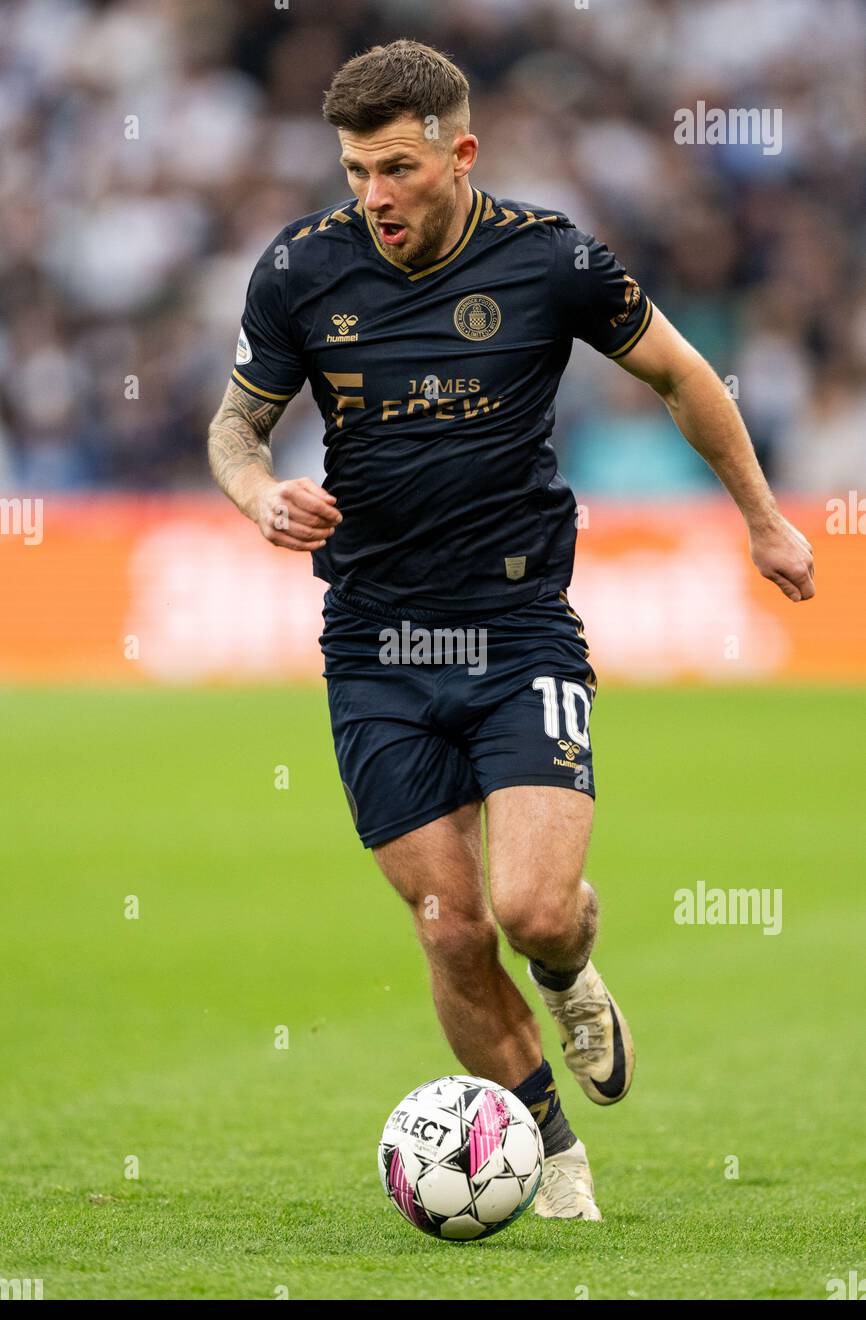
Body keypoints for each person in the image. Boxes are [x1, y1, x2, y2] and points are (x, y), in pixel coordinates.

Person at [207, 39, 815, 1220]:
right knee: (448, 926)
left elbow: (684, 375)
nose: (371, 197)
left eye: (393, 168)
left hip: (515, 623)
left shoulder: (548, 258)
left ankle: (572, 971)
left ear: (458, 152)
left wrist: (762, 520)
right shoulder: (298, 271)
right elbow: (235, 427)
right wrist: (256, 493)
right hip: (375, 643)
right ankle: (545, 1148)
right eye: (351, 172)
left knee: (534, 909)